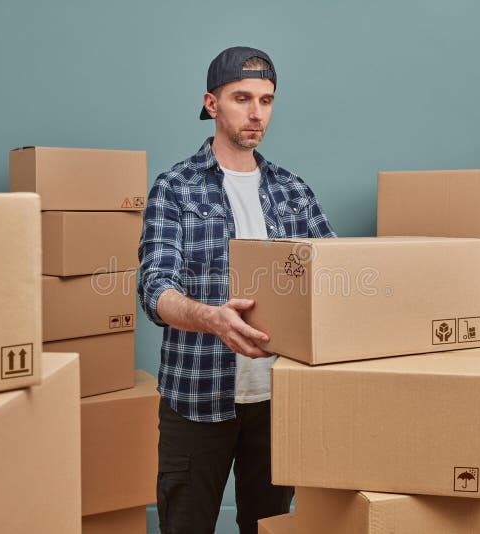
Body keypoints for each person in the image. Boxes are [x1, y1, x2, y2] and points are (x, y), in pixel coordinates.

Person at [138, 46, 336, 534]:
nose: (255, 113)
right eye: (241, 98)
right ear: (211, 104)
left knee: (268, 528)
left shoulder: (293, 191)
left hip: (277, 402)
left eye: (266, 100)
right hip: (196, 397)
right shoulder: (175, 188)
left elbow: (332, 274)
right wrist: (211, 319)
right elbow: (154, 287)